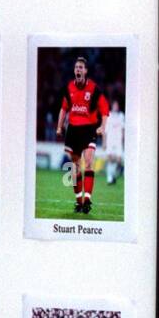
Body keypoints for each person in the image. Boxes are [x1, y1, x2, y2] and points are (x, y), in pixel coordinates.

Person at [55, 55, 109, 217]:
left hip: (89, 128)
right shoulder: (69, 88)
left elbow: (105, 109)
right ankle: (79, 201)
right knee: (75, 166)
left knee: (89, 160)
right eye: (76, 67)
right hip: (73, 130)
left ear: (86, 71)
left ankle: (87, 200)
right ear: (74, 71)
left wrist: (102, 126)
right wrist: (59, 126)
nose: (78, 70)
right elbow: (64, 108)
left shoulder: (93, 89)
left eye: (81, 67)